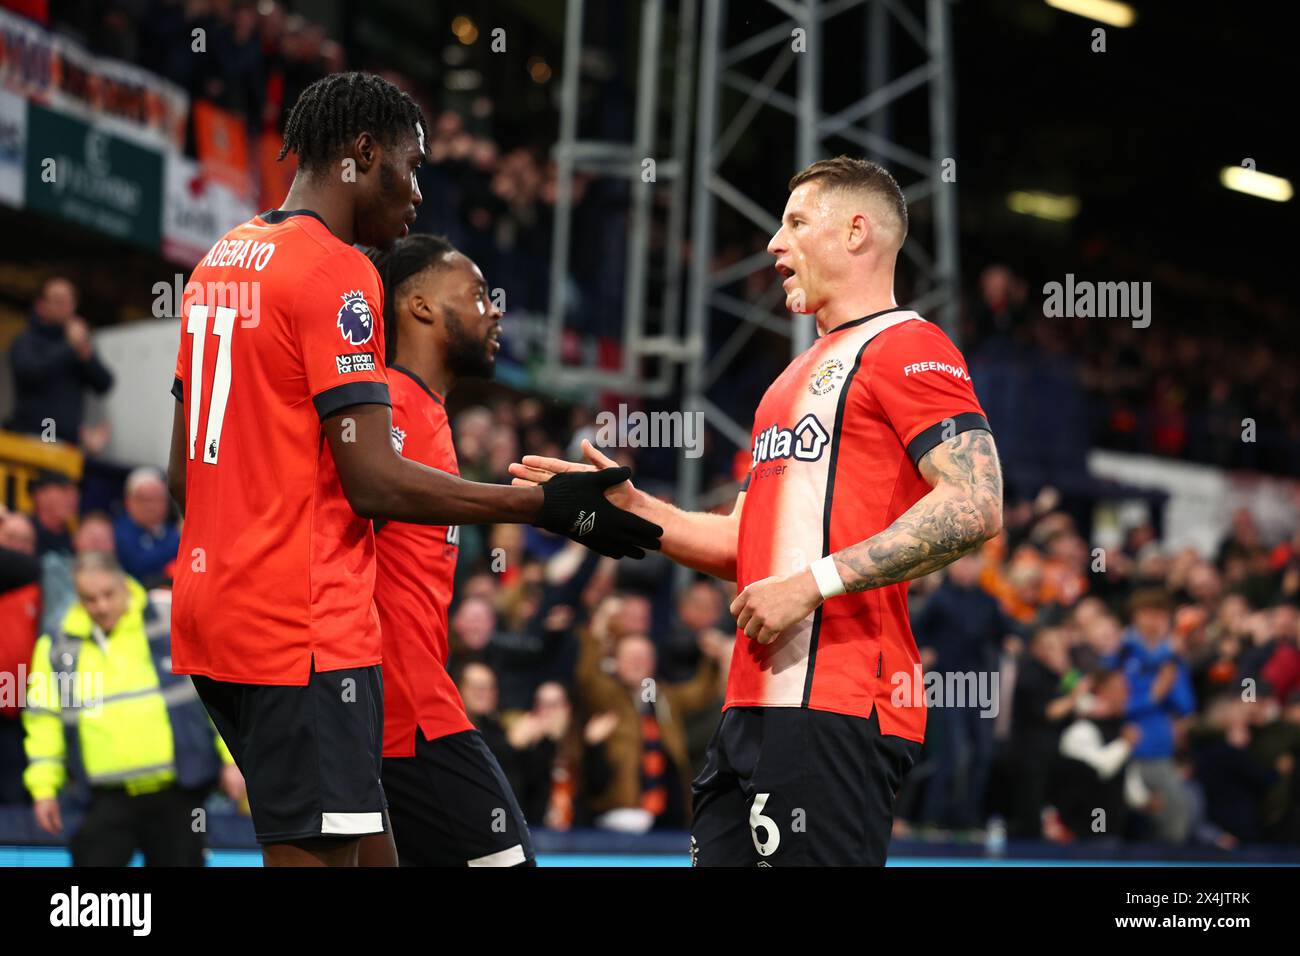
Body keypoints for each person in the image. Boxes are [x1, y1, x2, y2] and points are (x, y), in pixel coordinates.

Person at [166, 72, 660, 868]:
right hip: (302, 632)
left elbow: (186, 473)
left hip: (214, 621)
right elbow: (374, 482)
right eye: (411, 163)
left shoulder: (218, 262)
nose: (420, 190)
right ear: (363, 153)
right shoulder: (336, 271)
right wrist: (538, 505)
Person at [513, 156, 1003, 865]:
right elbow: (748, 543)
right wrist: (632, 508)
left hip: (838, 702)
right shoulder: (789, 380)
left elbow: (977, 503)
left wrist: (812, 584)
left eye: (797, 222)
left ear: (857, 232)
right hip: (751, 705)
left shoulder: (909, 346)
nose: (774, 242)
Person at [358, 233, 533, 867]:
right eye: (480, 294)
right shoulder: (387, 407)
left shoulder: (427, 415)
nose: (496, 311)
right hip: (406, 719)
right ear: (422, 307)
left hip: (405, 713)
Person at [21, 553, 242, 866]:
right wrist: (43, 788)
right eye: (89, 598)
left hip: (178, 790)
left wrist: (232, 759)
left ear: (124, 583)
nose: (101, 606)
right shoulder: (57, 646)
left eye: (108, 594)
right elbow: (44, 721)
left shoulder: (166, 622)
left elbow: (214, 695)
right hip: (104, 795)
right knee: (92, 908)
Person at [5, 276, 114, 447]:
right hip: (29, 438)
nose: (65, 308)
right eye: (58, 301)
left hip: (67, 443)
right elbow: (31, 373)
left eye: (69, 302)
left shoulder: (77, 344)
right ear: (41, 305)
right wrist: (70, 347)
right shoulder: (26, 341)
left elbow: (105, 383)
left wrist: (87, 356)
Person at [112, 467, 180, 587]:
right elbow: (138, 564)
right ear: (128, 501)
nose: (151, 507)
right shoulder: (119, 530)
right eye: (144, 499)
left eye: (158, 499)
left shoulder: (169, 531)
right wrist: (178, 541)